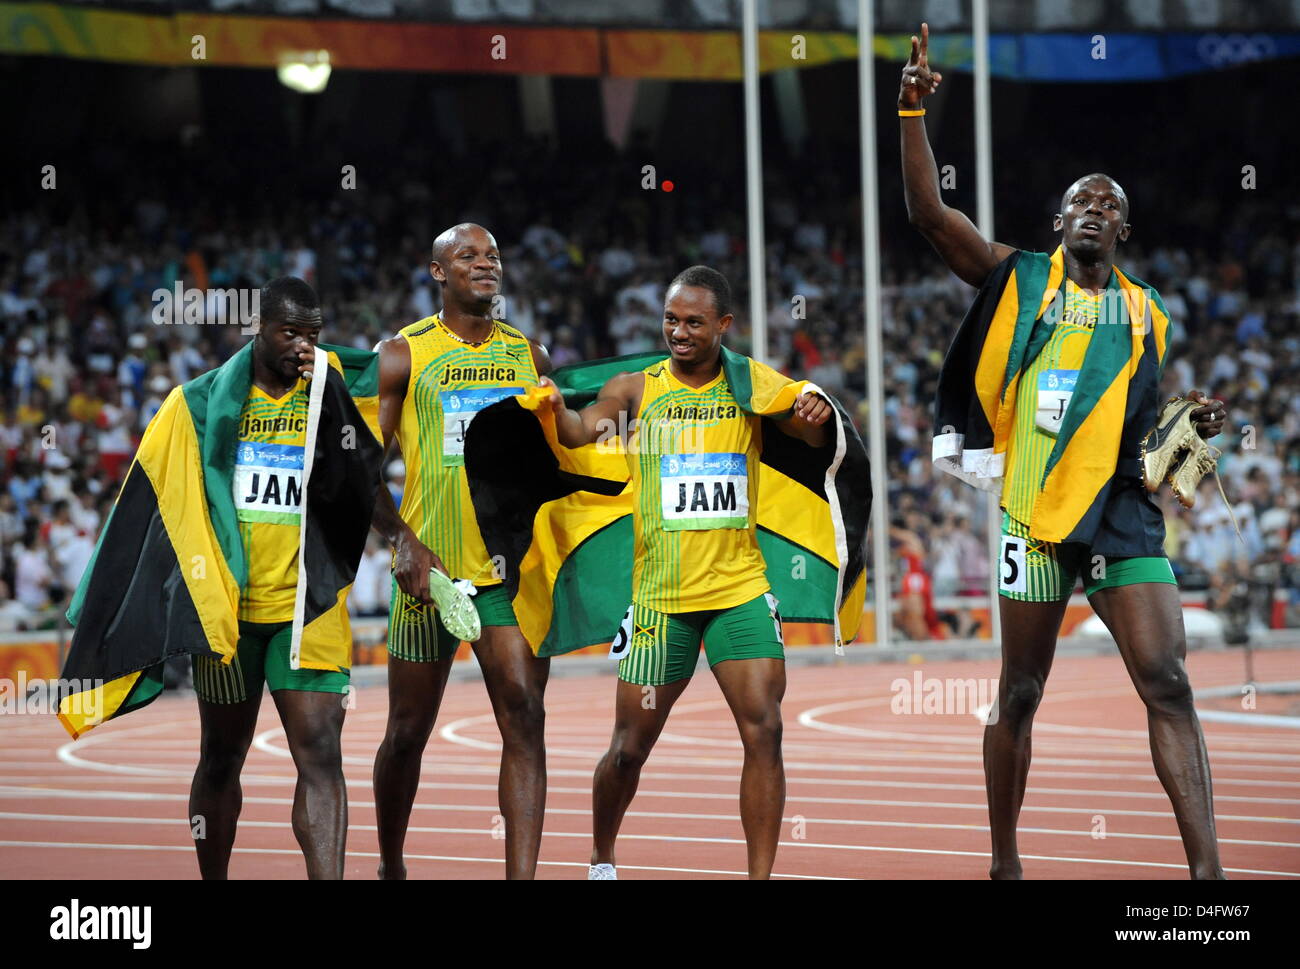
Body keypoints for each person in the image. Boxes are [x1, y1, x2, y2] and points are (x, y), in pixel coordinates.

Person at [900, 23, 1228, 879]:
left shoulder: (1150, 310)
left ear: (1124, 227)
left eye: (1109, 203)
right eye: (1081, 200)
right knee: (1019, 691)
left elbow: (1147, 432)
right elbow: (930, 218)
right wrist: (910, 113)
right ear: (1058, 222)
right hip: (1034, 516)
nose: (1095, 208)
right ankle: (1006, 861)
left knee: (1169, 682)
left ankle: (1208, 877)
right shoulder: (1018, 275)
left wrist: (1190, 434)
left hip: (1121, 514)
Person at [537, 265, 832, 880]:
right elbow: (578, 431)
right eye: (671, 319)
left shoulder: (748, 384)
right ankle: (601, 858)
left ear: (724, 325)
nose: (679, 331)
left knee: (766, 729)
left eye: (694, 322)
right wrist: (551, 410)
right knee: (628, 750)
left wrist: (812, 407)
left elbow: (805, 431)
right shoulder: (635, 390)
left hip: (739, 591)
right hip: (660, 602)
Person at [370, 223, 554, 880]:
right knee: (407, 731)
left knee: (525, 713)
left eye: (494, 254)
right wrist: (403, 541)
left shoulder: (529, 357)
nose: (485, 263)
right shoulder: (401, 354)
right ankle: (392, 861)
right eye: (467, 255)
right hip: (431, 574)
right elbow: (359, 465)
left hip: (506, 572)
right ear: (436, 272)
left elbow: (556, 459)